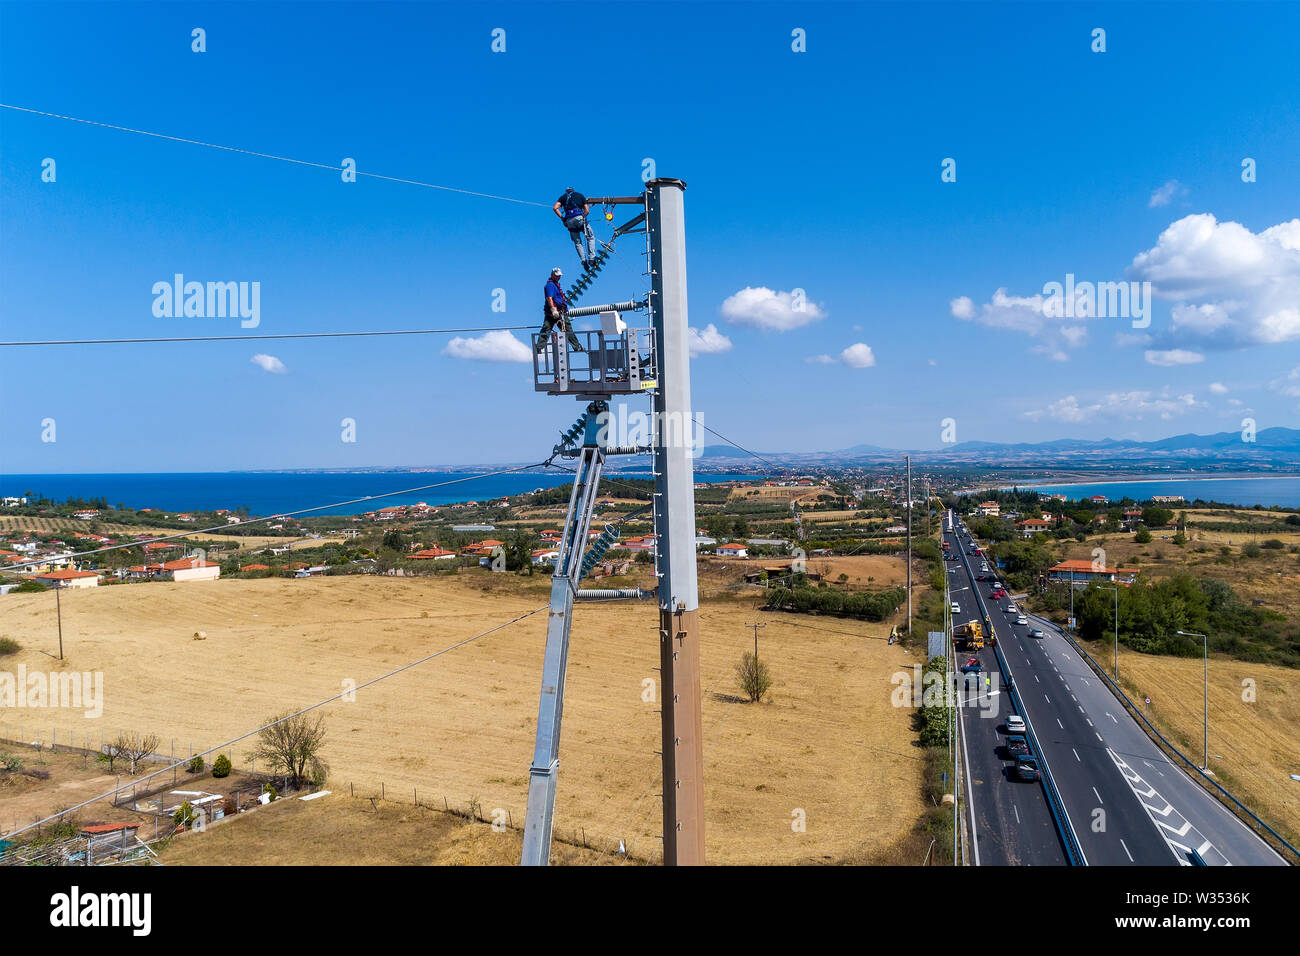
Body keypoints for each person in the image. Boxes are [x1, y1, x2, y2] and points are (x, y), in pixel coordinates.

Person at [537, 267, 584, 354]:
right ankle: (577, 347)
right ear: (552, 275)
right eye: (557, 275)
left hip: (559, 311)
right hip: (554, 312)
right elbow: (549, 298)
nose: (559, 277)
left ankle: (539, 347)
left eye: (559, 276)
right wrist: (553, 309)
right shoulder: (550, 285)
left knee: (548, 328)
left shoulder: (555, 284)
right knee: (550, 328)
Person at [554, 187, 597, 271]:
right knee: (590, 237)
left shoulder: (562, 198)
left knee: (577, 243)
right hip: (579, 218)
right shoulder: (580, 195)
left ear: (566, 192)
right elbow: (587, 210)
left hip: (569, 221)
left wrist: (563, 219)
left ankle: (584, 261)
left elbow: (555, 208)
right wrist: (583, 217)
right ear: (573, 191)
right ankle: (591, 259)